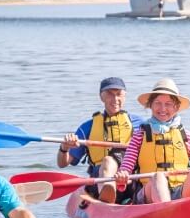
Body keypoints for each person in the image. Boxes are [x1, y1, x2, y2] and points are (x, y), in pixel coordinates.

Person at [56, 76, 134, 204]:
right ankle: (107, 199)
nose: (115, 99)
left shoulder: (138, 124)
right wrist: (64, 148)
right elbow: (62, 163)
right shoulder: (87, 127)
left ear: (124, 96)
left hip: (131, 177)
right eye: (109, 94)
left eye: (119, 94)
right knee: (108, 161)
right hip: (98, 181)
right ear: (101, 97)